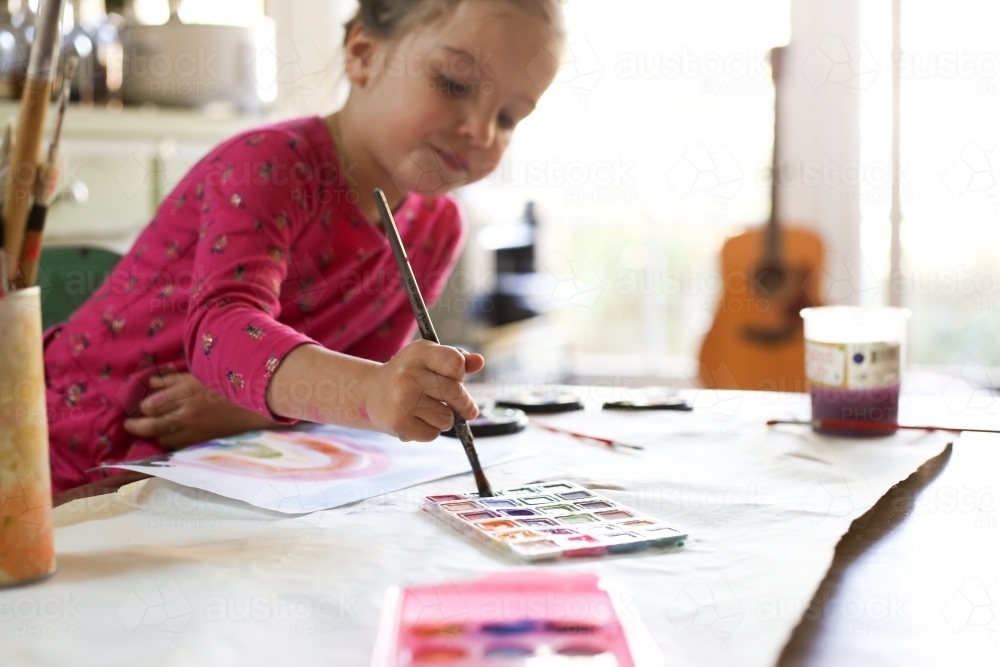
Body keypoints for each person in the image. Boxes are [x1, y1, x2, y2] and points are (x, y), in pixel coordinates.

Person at [43, 0, 564, 494]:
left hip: (209, 465)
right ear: (363, 55)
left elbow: (360, 366)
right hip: (74, 448)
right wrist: (372, 392)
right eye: (453, 83)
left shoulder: (438, 225)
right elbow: (224, 328)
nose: (481, 132)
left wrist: (247, 411)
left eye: (508, 118)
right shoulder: (269, 165)